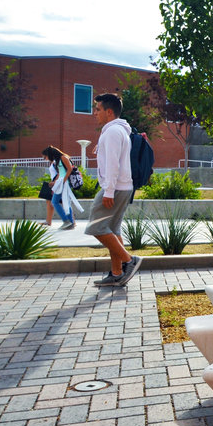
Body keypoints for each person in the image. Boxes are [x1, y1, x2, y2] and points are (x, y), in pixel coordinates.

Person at [86, 93, 142, 287]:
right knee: (112, 229)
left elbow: (112, 164)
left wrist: (108, 191)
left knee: (96, 227)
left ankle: (129, 261)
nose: (95, 113)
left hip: (115, 189)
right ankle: (117, 273)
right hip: (123, 187)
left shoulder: (111, 132)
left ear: (109, 112)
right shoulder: (118, 130)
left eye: (98, 109)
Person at [42, 145, 81, 230]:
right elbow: (61, 172)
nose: (47, 158)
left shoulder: (63, 158)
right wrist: (55, 182)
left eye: (46, 156)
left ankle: (67, 221)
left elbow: (69, 169)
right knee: (64, 202)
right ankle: (70, 222)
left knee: (55, 201)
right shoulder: (59, 159)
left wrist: (64, 180)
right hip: (61, 182)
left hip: (64, 183)